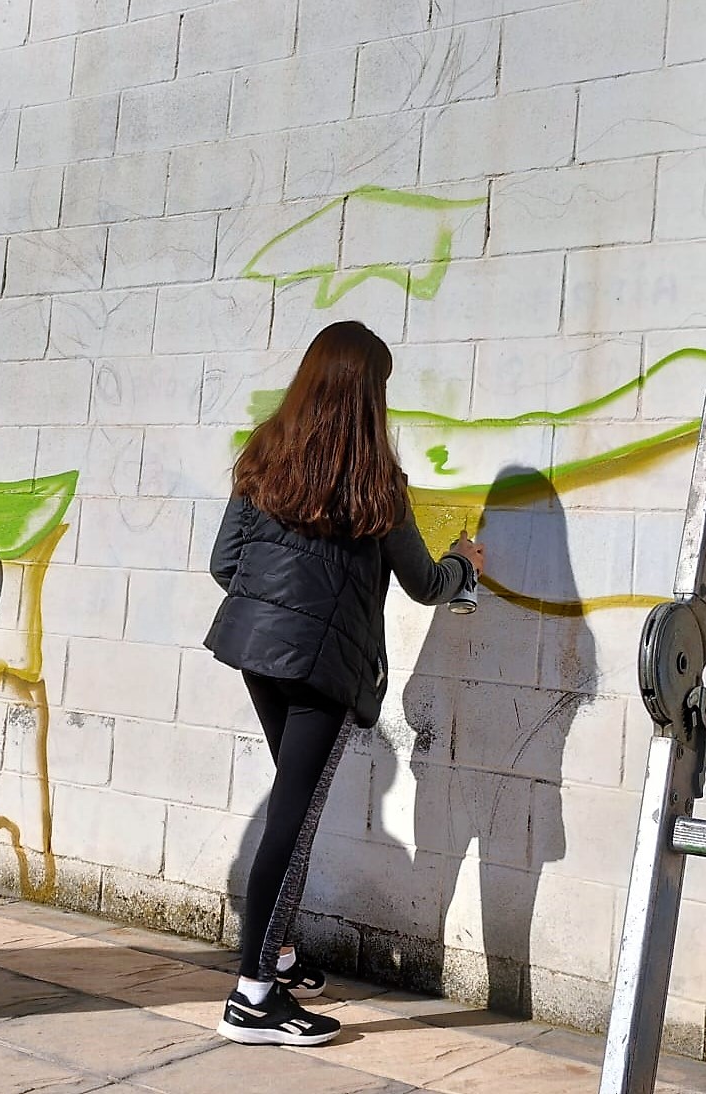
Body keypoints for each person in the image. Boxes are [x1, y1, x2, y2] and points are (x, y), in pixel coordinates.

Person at [205, 320, 484, 1046]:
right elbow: (425, 584)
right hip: (322, 672)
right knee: (293, 826)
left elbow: (224, 564)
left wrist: (276, 609)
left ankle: (278, 956)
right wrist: (465, 561)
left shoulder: (264, 453)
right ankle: (252, 999)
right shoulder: (374, 480)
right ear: (369, 393)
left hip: (257, 656)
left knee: (290, 812)